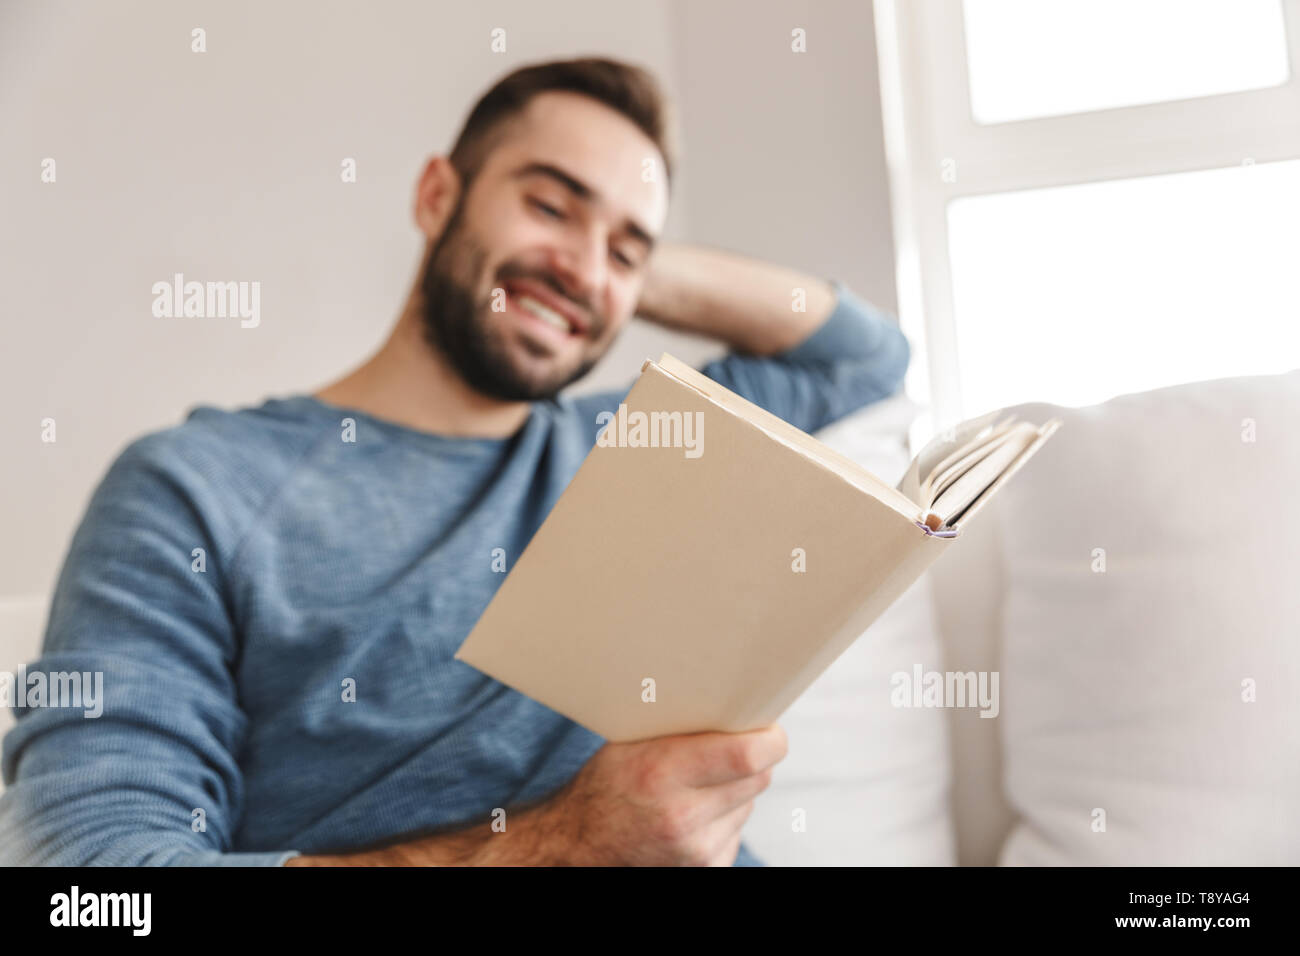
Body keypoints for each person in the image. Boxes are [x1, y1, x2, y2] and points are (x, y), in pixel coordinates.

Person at [0, 57, 909, 866]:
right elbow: (92, 874)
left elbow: (865, 358)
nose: (586, 267)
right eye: (548, 202)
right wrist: (561, 851)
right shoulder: (194, 487)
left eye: (626, 247)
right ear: (438, 196)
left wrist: (604, 266)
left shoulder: (639, 441)